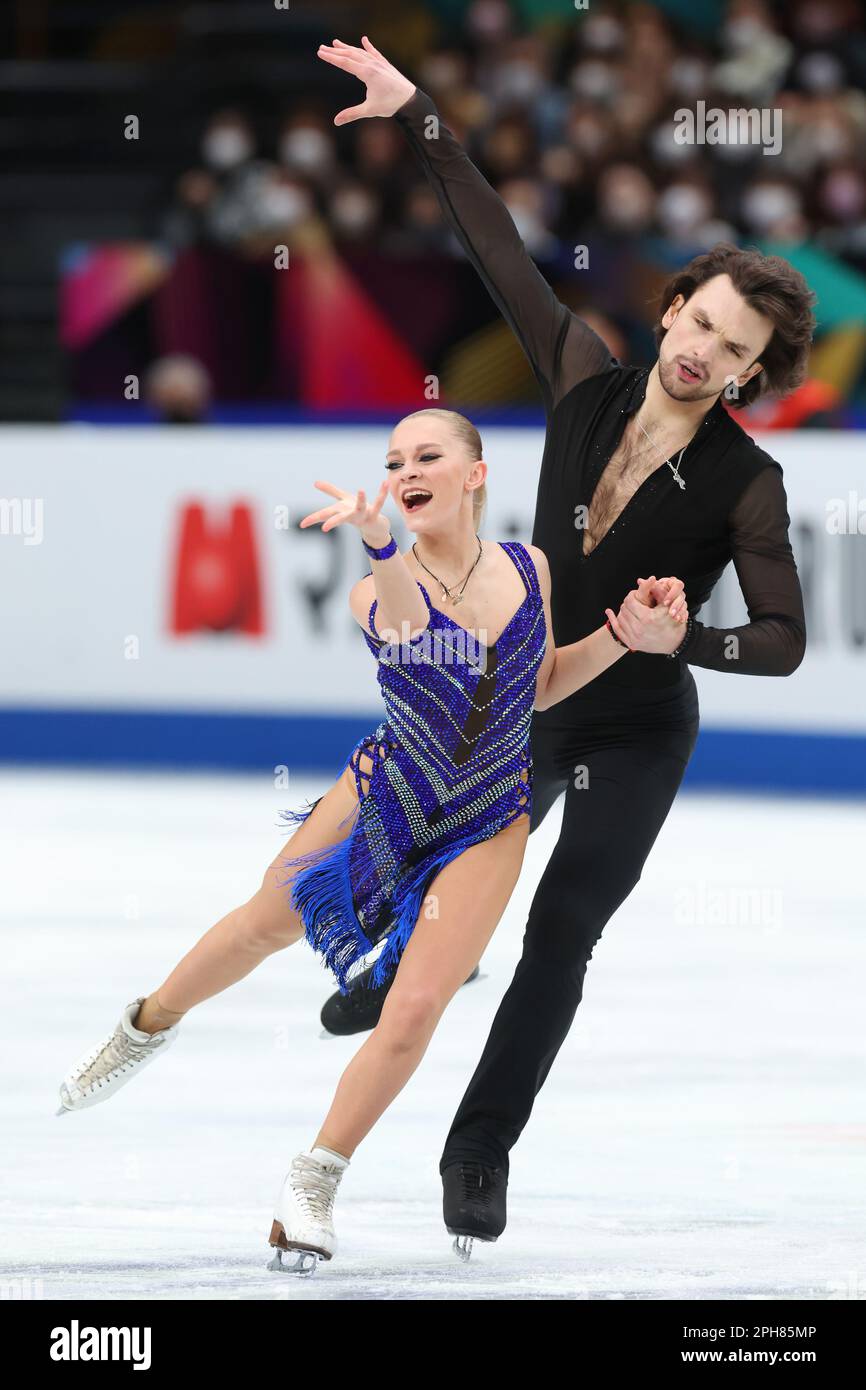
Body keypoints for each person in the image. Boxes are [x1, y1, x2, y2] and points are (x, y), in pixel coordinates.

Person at [314, 37, 812, 1253]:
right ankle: (399, 973)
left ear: (750, 374)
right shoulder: (583, 378)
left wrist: (679, 634)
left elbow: (788, 641)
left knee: (562, 927)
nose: (702, 349)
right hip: (527, 692)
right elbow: (496, 248)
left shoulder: (746, 480)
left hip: (635, 724)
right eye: (697, 320)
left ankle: (478, 1146)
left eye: (731, 348)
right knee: (441, 864)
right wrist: (422, 113)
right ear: (670, 310)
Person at [55, 404, 687, 1274]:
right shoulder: (373, 586)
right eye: (395, 461)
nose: (406, 471)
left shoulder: (529, 567)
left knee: (418, 1004)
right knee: (260, 926)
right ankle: (145, 1025)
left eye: (428, 455)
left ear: (475, 475)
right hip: (385, 798)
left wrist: (625, 639)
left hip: (487, 816)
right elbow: (413, 635)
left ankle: (314, 1180)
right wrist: (384, 549)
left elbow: (538, 689)